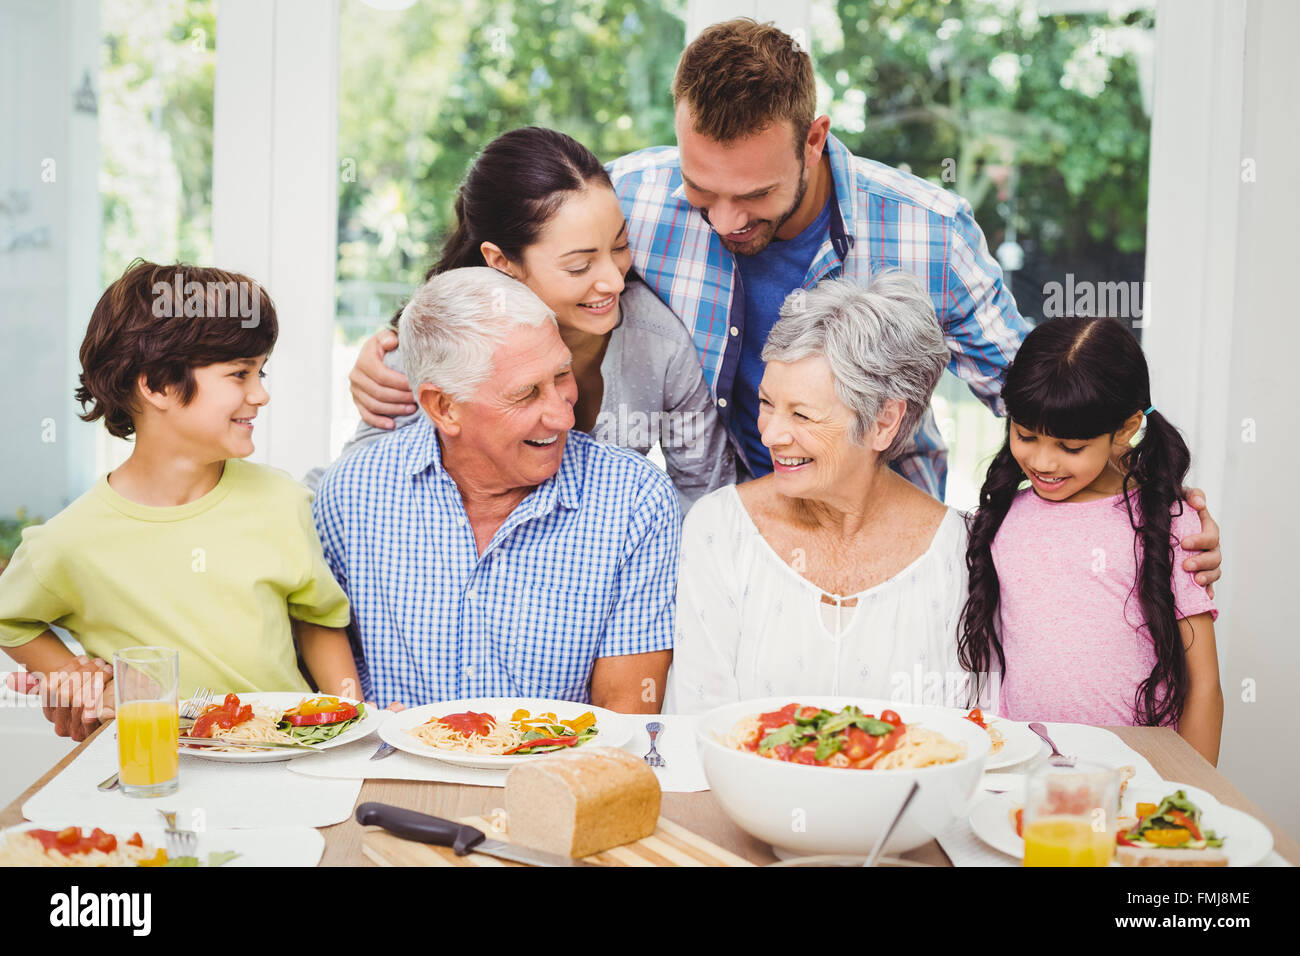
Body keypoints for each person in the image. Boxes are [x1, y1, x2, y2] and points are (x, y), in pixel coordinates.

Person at [346, 19, 1224, 594]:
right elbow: (501, 268)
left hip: (880, 531)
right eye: (703, 192)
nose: (724, 220)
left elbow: (1045, 401)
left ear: (814, 139)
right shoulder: (636, 201)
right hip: (725, 527)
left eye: (754, 197)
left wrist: (1154, 504)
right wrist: (394, 351)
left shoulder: (927, 231)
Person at [0, 261, 359, 739]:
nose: (261, 394)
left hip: (286, 755)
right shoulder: (70, 540)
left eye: (261, 372)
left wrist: (349, 714)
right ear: (157, 385)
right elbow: (11, 619)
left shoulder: (281, 501)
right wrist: (76, 676)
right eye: (239, 374)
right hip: (158, 768)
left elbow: (318, 618)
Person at [312, 267, 679, 711]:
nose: (563, 417)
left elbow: (627, 721)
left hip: (553, 775)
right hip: (384, 770)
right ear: (443, 407)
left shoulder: (636, 499)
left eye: (561, 376)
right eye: (526, 394)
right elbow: (315, 633)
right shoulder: (353, 491)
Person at [316, 127, 734, 510]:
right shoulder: (443, 341)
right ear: (501, 261)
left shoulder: (661, 344)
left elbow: (706, 503)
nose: (613, 281)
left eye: (620, 246)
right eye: (579, 266)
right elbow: (357, 489)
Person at [664, 273, 968, 714]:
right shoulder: (719, 531)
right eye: (767, 403)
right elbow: (698, 729)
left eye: (802, 415)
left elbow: (964, 739)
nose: (770, 435)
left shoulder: (957, 552)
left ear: (884, 422)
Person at [959, 316, 1223, 764]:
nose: (1042, 461)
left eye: (1070, 447)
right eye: (1025, 435)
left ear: (1125, 429)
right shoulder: (1001, 519)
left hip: (1140, 778)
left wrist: (1190, 797)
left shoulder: (1169, 524)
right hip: (1025, 775)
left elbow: (1205, 687)